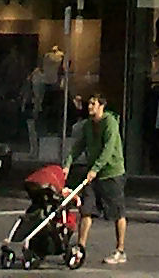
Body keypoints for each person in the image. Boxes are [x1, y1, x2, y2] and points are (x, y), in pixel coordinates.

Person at [66, 92, 128, 266]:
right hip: (93, 174)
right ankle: (80, 247)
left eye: (94, 103)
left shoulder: (110, 123)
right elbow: (79, 145)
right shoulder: (87, 125)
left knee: (117, 212)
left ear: (102, 106)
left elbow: (108, 149)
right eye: (89, 103)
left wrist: (95, 168)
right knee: (86, 210)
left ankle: (120, 250)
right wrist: (67, 164)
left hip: (111, 173)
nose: (90, 106)